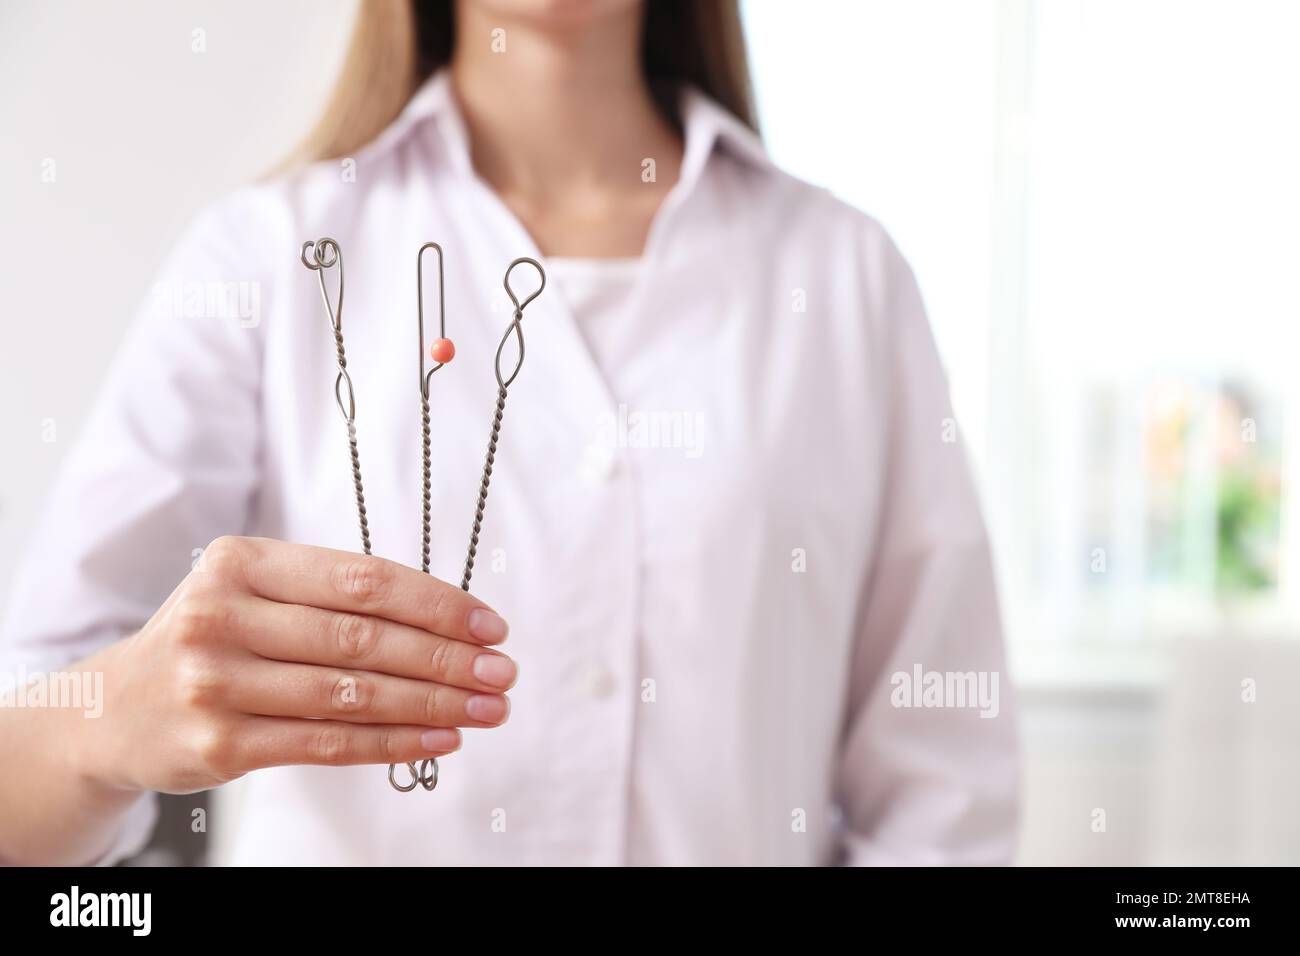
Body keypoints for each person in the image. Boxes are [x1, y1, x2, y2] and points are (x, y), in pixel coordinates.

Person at [0, 0, 1018, 865]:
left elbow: (943, 792)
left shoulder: (844, 277)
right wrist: (112, 715)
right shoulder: (266, 256)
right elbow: (27, 761)